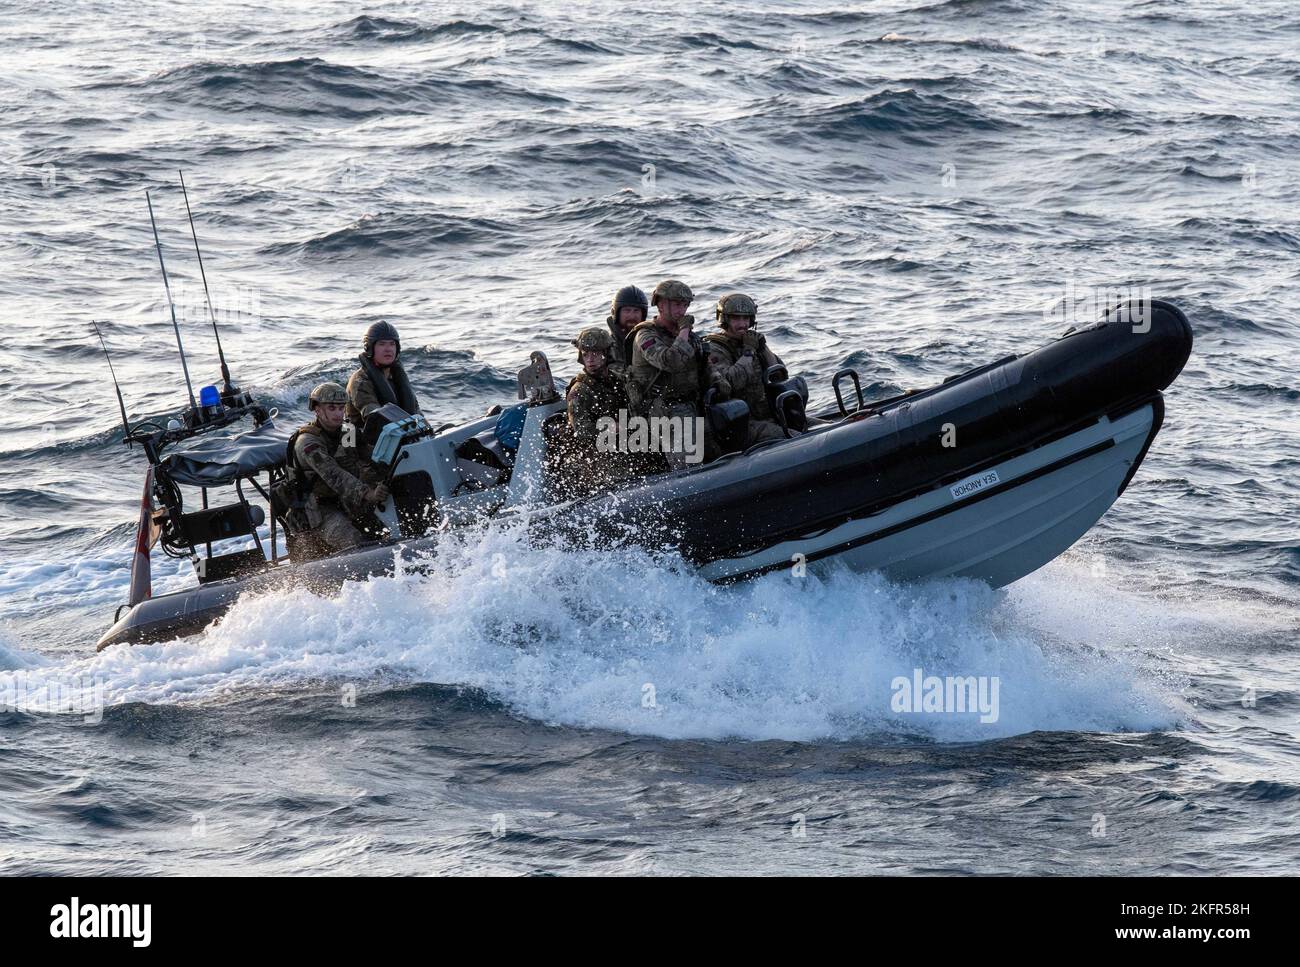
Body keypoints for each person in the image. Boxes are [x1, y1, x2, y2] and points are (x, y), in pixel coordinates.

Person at [625, 279, 724, 469]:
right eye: (678, 304)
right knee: (689, 467)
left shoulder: (687, 337)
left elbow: (704, 366)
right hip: (664, 412)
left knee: (722, 450)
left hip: (692, 406)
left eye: (685, 305)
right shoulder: (646, 335)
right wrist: (685, 330)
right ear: (661, 304)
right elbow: (670, 361)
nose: (682, 310)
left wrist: (720, 382)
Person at [287, 382, 389, 555]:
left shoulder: (347, 431)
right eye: (332, 408)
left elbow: (371, 457)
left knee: (385, 529)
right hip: (318, 511)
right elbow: (334, 474)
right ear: (317, 410)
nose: (338, 413)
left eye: (341, 408)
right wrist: (368, 493)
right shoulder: (308, 442)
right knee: (354, 542)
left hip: (348, 502)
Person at [562, 327, 660, 492]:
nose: (590, 359)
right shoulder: (580, 390)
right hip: (603, 455)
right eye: (586, 354)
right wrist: (607, 428)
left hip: (632, 443)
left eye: (595, 354)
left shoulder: (619, 378)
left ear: (606, 354)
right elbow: (580, 430)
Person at [705, 292, 792, 445]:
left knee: (811, 426)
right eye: (736, 318)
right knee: (792, 437)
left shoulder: (751, 342)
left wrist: (762, 347)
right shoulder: (715, 349)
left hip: (767, 414)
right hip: (741, 423)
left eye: (746, 318)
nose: (742, 324)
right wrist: (749, 352)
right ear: (724, 319)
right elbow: (731, 382)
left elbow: (779, 375)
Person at [346, 321, 421, 427]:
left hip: (399, 434)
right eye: (382, 344)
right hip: (363, 439)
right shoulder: (360, 381)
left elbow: (417, 413)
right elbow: (375, 418)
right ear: (369, 348)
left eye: (392, 344)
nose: (388, 349)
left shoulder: (397, 378)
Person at [604, 285, 649, 367]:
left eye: (636, 311)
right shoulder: (605, 345)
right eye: (627, 310)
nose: (632, 316)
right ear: (616, 313)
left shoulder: (651, 337)